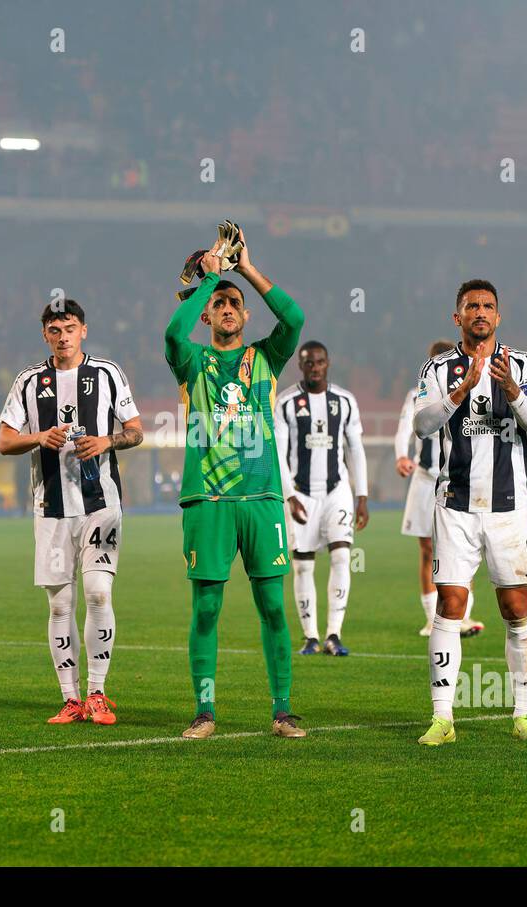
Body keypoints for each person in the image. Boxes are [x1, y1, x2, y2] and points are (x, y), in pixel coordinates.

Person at [164, 226, 307, 740]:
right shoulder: (191, 361)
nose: (227, 308)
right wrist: (209, 278)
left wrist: (244, 268)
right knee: (207, 607)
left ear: (246, 317)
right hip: (208, 499)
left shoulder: (267, 357)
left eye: (234, 304)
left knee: (272, 605)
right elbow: (172, 335)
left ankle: (283, 710)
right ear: (207, 314)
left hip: (262, 497)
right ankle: (204, 712)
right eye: (219, 304)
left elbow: (295, 318)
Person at [413, 279, 527, 746]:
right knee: (450, 605)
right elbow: (422, 424)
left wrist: (510, 388)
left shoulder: (522, 363)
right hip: (456, 504)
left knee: (515, 607)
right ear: (458, 317)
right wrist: (459, 392)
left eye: (488, 305)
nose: (481, 312)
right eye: (472, 306)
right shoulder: (437, 368)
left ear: (498, 315)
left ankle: (524, 714)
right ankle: (442, 718)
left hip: (509, 508)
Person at [0, 298, 143, 725]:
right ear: (45, 334)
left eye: (70, 328)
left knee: (98, 592)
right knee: (60, 606)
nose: (63, 337)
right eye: (55, 330)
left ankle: (97, 692)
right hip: (52, 509)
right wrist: (39, 436)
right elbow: (5, 441)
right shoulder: (28, 381)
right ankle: (70, 698)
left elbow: (135, 431)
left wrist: (106, 441)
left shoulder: (108, 374)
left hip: (102, 506)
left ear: (84, 331)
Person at [273, 341, 368, 657]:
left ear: (328, 363)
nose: (314, 367)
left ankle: (334, 634)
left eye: (319, 362)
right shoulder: (287, 403)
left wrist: (362, 496)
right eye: (308, 363)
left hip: (336, 490)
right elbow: (279, 454)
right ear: (300, 366)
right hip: (301, 493)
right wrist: (289, 496)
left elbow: (355, 449)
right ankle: (310, 636)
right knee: (302, 567)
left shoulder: (344, 401)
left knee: (341, 556)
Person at [394, 340, 485, 640]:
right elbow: (405, 427)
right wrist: (401, 456)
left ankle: (463, 615)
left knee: (464, 548)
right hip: (424, 479)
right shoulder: (416, 394)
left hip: (458, 479)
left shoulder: (470, 390)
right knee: (427, 551)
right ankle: (432, 618)